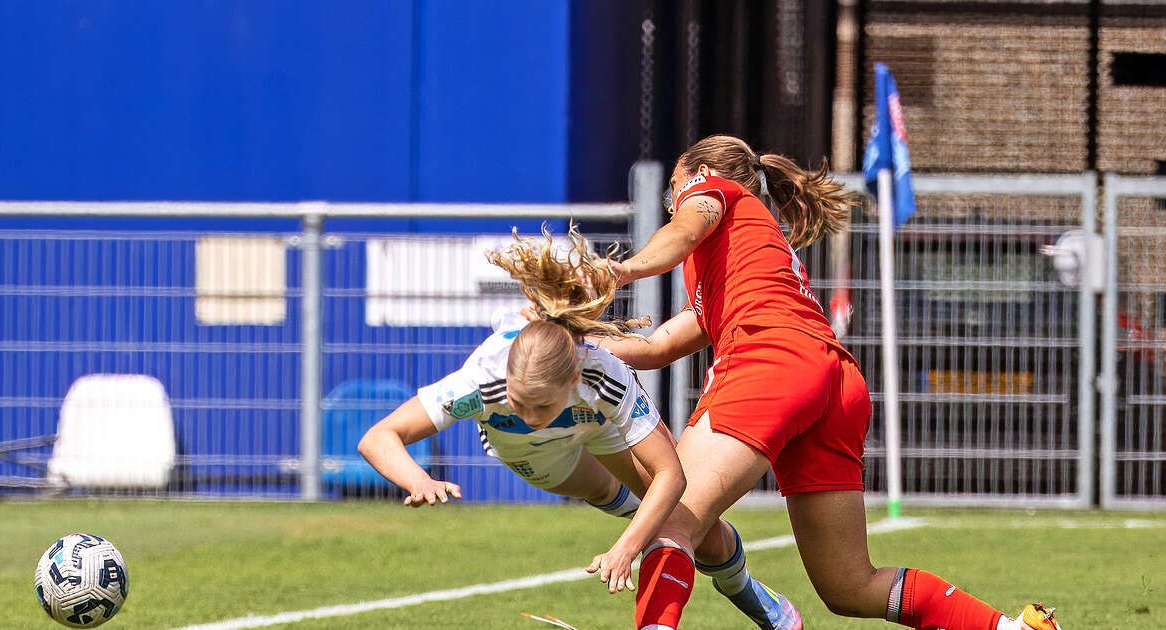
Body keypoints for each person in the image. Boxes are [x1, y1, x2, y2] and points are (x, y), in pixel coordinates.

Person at [598, 134, 1061, 630]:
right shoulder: (741, 252)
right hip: (834, 382)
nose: (674, 200)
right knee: (849, 586)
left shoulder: (711, 188)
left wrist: (617, 270)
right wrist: (576, 345)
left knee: (671, 521)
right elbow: (657, 346)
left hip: (772, 363)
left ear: (696, 173)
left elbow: (682, 234)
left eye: (674, 185)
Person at [359, 225, 799, 620]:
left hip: (596, 427)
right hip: (538, 459)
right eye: (519, 404)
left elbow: (671, 473)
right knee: (651, 513)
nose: (529, 418)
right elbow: (380, 437)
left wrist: (627, 546)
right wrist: (417, 479)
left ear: (571, 380)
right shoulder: (481, 380)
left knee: (679, 518)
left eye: (541, 409)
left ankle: (756, 601)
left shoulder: (601, 374)